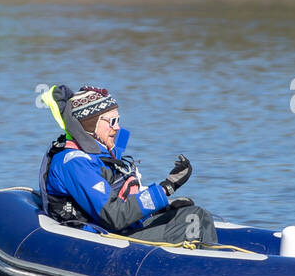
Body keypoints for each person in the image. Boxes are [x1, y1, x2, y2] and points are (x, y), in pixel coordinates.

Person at [38, 84, 217, 245]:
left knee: (195, 213)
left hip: (115, 230)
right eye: (112, 122)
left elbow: (119, 197)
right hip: (99, 240)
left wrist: (162, 206)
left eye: (118, 120)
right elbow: (115, 216)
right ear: (90, 125)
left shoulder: (98, 155)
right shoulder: (74, 163)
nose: (117, 128)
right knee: (196, 222)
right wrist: (166, 188)